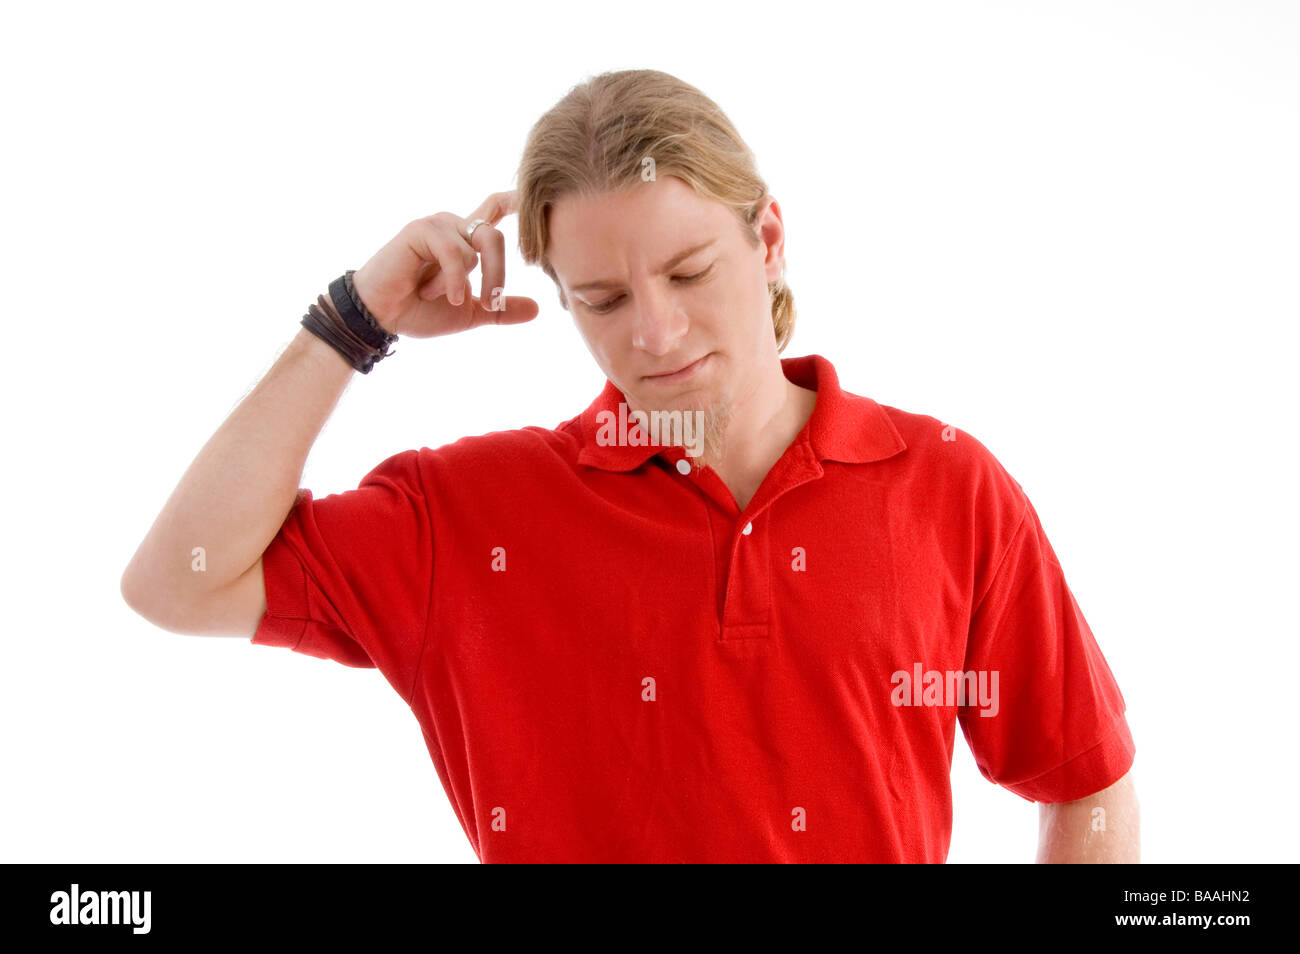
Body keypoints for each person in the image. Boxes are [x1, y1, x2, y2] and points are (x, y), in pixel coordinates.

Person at [121, 68, 1138, 863]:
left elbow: (1084, 778)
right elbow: (179, 578)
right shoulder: (468, 515)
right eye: (601, 299)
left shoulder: (947, 487)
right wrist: (355, 319)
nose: (654, 333)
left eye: (688, 272)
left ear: (767, 237)